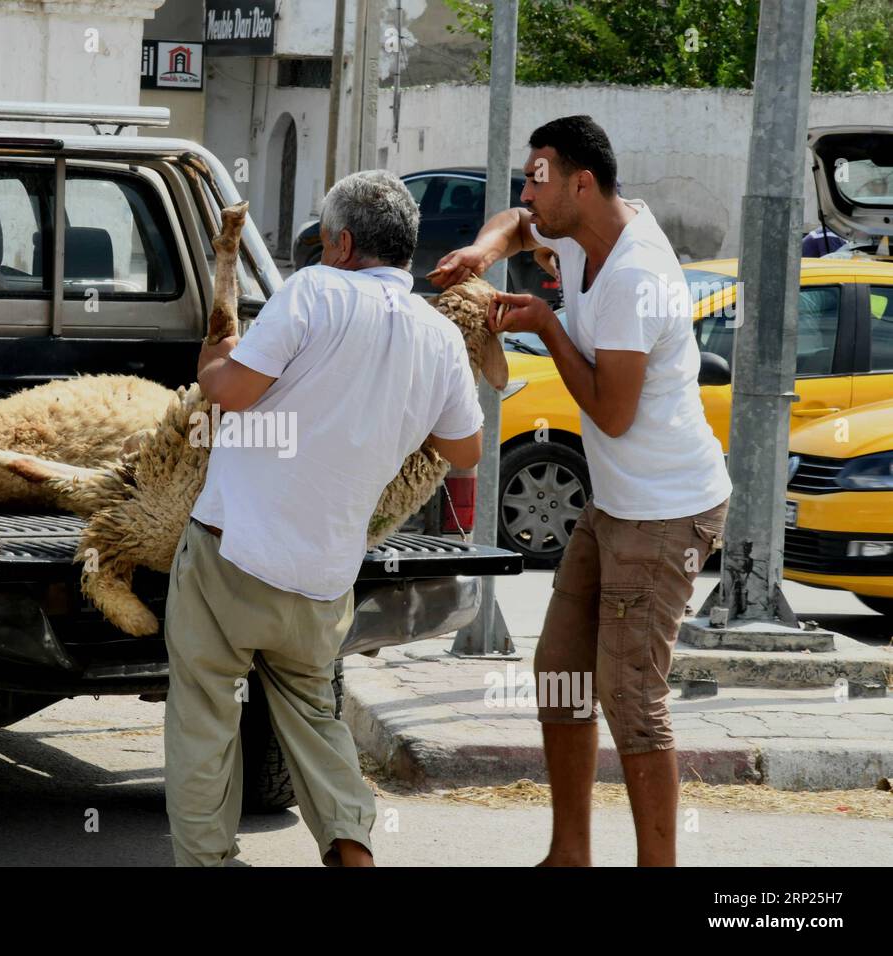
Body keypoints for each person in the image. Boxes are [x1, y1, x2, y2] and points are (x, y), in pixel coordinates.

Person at [433, 115, 731, 867]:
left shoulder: (634, 275)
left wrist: (547, 325)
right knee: (563, 673)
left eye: (538, 175)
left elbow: (612, 411)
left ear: (582, 182)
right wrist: (486, 250)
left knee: (632, 700)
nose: (528, 191)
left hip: (667, 511)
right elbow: (515, 224)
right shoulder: (580, 229)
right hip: (615, 505)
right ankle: (570, 855)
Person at [163, 170, 484, 866]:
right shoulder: (437, 337)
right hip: (324, 577)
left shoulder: (312, 290)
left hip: (232, 555)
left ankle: (207, 861)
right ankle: (351, 848)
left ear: (339, 243)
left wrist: (215, 357)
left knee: (206, 714)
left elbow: (231, 395)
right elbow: (465, 449)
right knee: (314, 714)